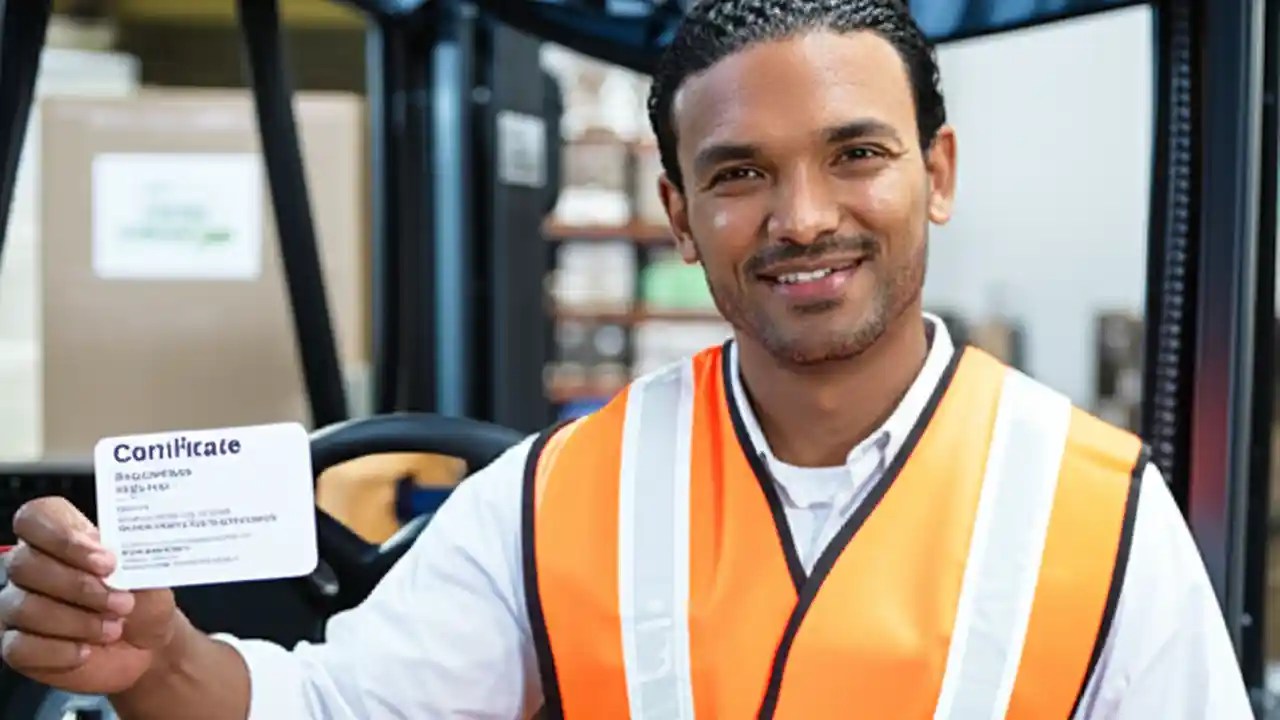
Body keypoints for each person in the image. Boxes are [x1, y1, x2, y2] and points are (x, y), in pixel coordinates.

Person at [0, 0, 1254, 717]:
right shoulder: (561, 493)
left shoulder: (1095, 512)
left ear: (935, 172)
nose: (802, 216)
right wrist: (158, 661)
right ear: (675, 212)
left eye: (854, 154)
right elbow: (333, 713)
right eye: (739, 174)